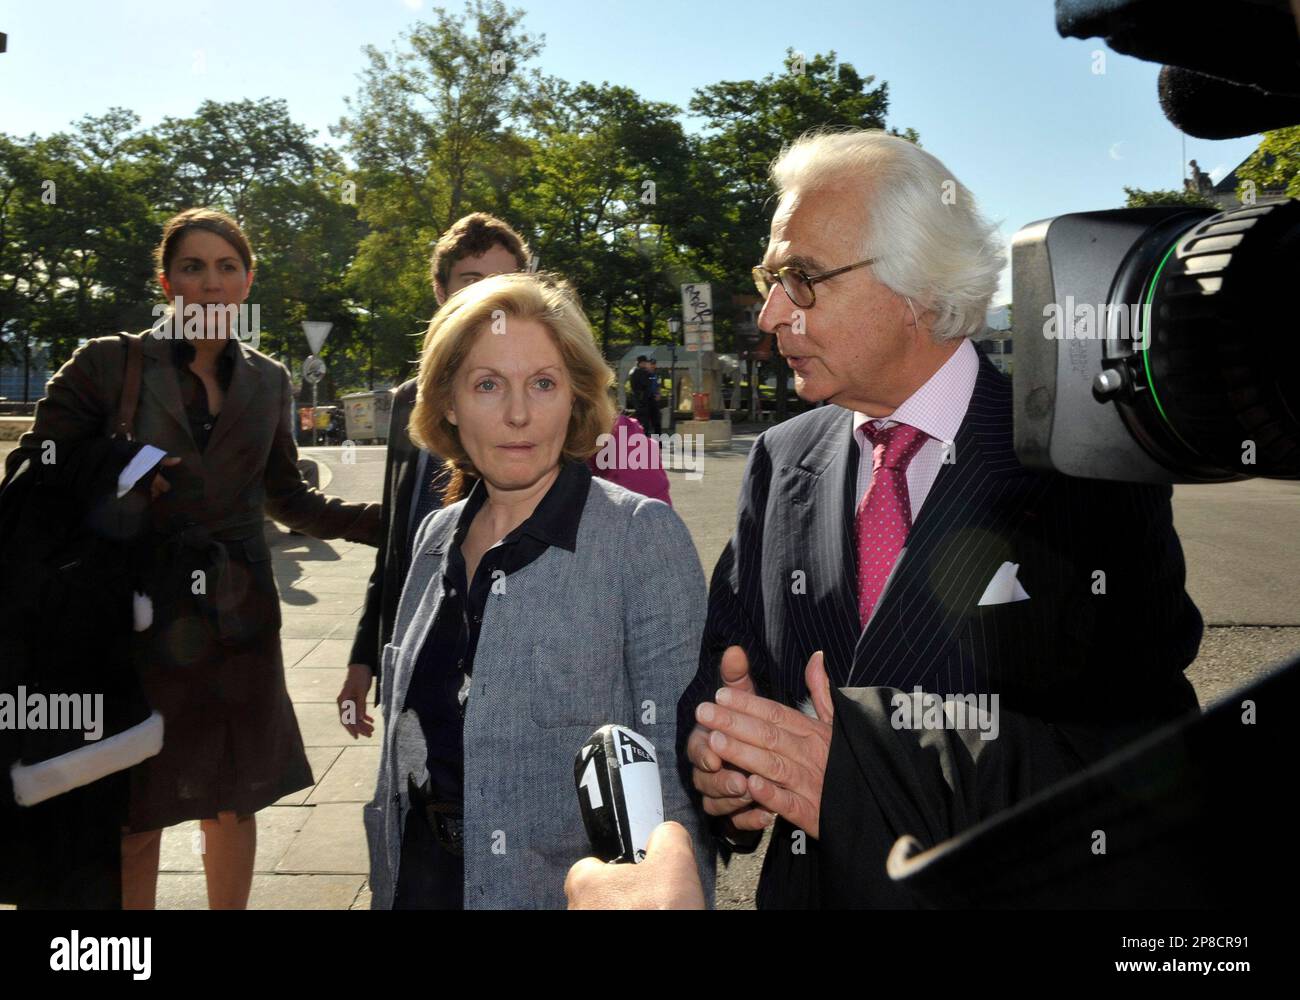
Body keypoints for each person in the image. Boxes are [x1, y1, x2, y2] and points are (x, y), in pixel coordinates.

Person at [677, 129, 1202, 908]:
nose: (770, 311)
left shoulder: (1081, 468)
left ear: (918, 288)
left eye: (802, 277)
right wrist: (717, 760)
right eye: (771, 277)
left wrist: (870, 780)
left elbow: (1148, 766)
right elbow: (722, 673)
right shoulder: (781, 459)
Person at [14, 207, 382, 909]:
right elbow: (39, 462)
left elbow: (291, 502)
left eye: (225, 267)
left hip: (237, 619)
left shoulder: (269, 381)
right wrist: (120, 467)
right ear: (167, 281)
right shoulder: (107, 363)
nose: (210, 284)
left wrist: (399, 523)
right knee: (132, 810)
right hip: (132, 617)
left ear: (246, 283)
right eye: (192, 267)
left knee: (234, 803)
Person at [363, 272, 714, 909]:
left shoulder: (640, 537)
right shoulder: (434, 536)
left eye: (543, 384)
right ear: (446, 401)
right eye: (488, 384)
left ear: (575, 398)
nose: (518, 414)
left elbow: (675, 773)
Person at [339, 212, 530, 739]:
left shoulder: (547, 404)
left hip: (513, 676)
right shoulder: (407, 404)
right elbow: (395, 545)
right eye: (472, 282)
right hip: (415, 663)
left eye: (505, 283)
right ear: (440, 291)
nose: (489, 299)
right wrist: (365, 658)